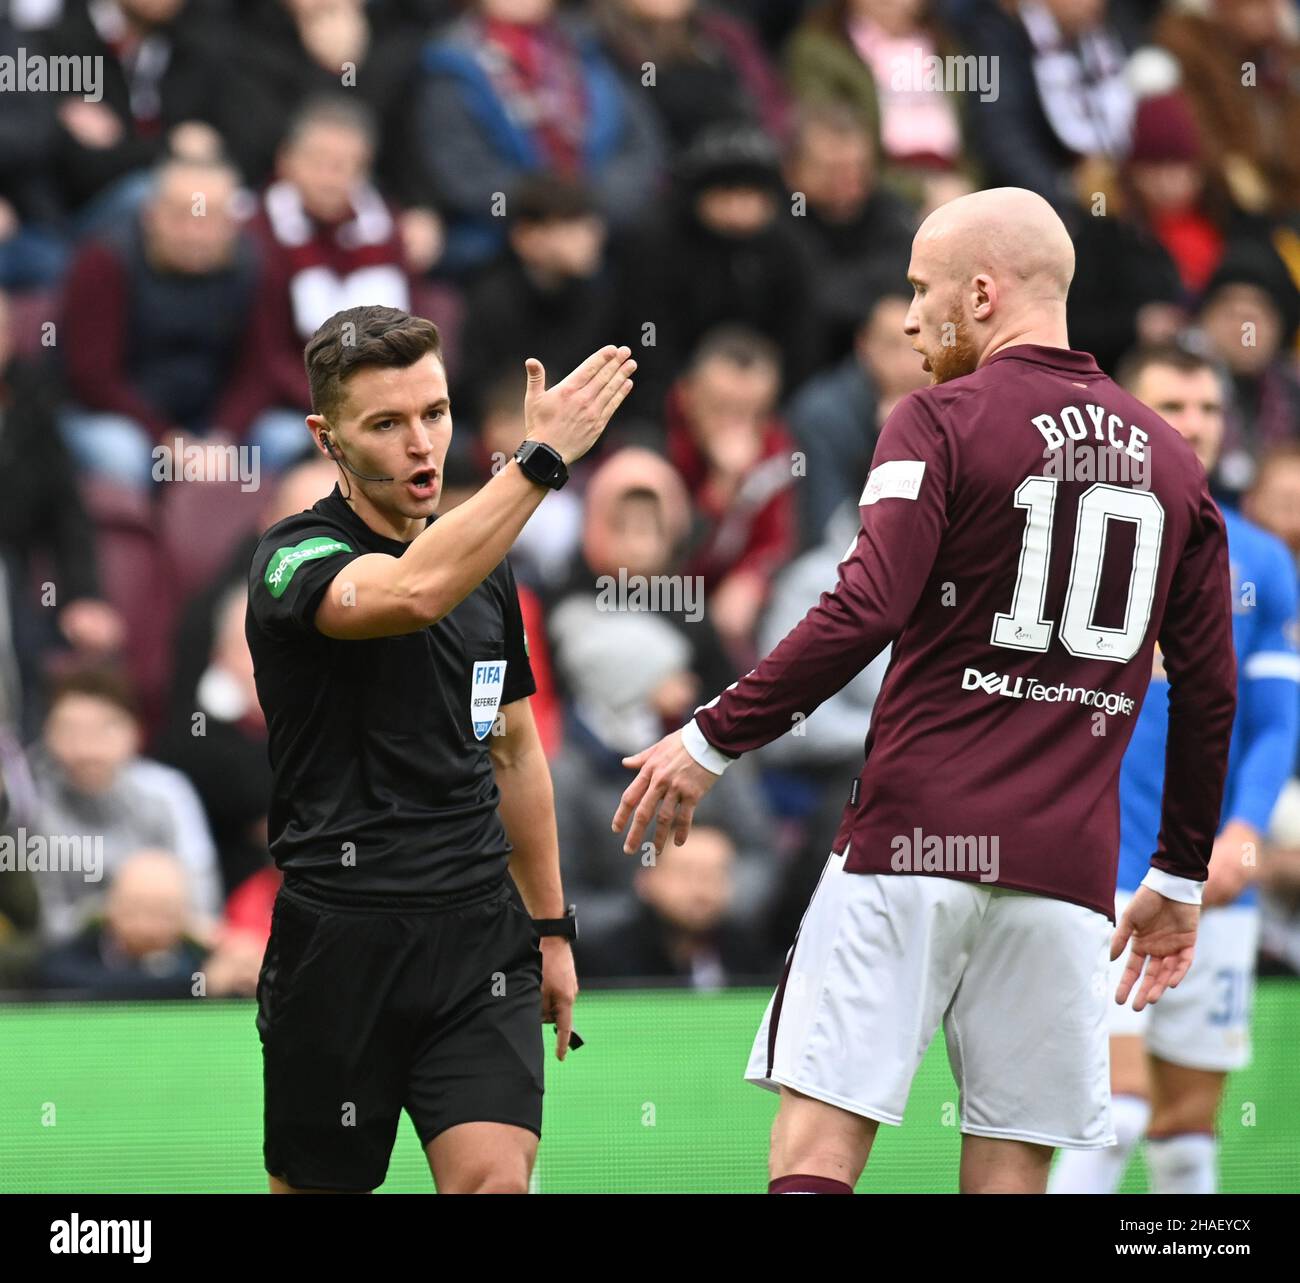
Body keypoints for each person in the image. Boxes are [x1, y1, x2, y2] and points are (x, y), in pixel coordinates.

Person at [613, 187, 1237, 1194]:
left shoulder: (938, 418)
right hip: (1065, 869)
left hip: (912, 842)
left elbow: (864, 608)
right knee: (1005, 1173)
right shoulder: (1171, 460)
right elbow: (1208, 687)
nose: (906, 319)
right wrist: (1176, 874)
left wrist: (713, 738)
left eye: (919, 290)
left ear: (981, 294)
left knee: (815, 1157)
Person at [245, 304, 634, 1193]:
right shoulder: (291, 557)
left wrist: (550, 929)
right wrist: (541, 463)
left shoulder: (486, 561)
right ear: (327, 436)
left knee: (495, 1181)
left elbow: (513, 753)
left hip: (476, 941)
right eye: (385, 423)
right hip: (337, 948)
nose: (421, 444)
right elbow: (411, 592)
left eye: (435, 412)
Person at [1049, 342, 1299, 1194]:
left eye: (1206, 408)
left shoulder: (1260, 560)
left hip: (1206, 876)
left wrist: (1241, 833)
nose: (1191, 424)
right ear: (1128, 414)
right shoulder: (1061, 530)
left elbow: (1275, 721)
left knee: (1188, 1136)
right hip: (1089, 869)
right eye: (1171, 405)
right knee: (1108, 1116)